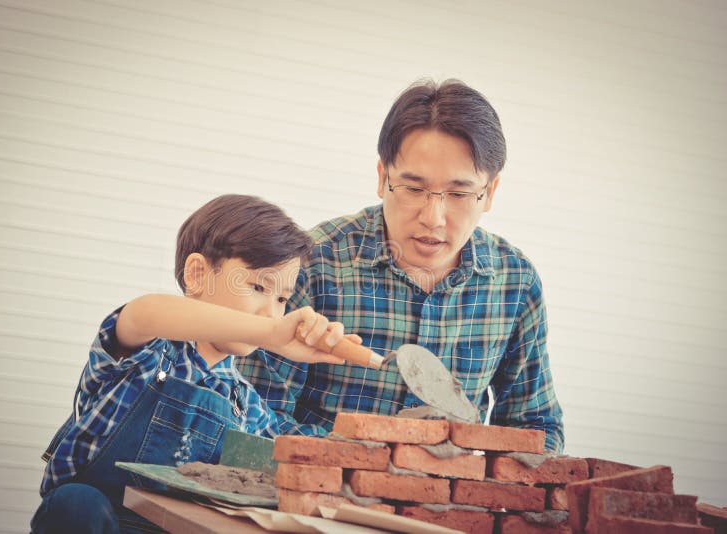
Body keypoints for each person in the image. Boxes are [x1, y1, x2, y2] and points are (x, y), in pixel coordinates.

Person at [238, 78, 564, 453]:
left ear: (489, 193)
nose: (433, 218)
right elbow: (253, 417)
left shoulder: (515, 283)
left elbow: (535, 430)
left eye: (458, 194)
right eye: (413, 188)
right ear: (382, 178)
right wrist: (367, 459)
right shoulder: (312, 264)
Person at [31, 194, 353, 534]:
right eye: (258, 286)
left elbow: (299, 446)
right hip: (100, 520)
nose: (272, 312)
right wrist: (272, 332)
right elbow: (146, 311)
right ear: (197, 274)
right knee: (78, 502)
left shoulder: (244, 403)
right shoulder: (145, 351)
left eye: (282, 300)